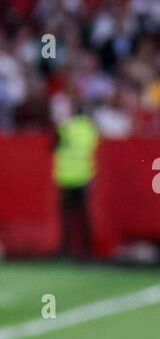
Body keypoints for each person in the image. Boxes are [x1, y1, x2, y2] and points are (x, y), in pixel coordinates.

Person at [53, 101, 99, 260]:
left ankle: (66, 249)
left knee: (66, 217)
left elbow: (53, 144)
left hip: (66, 178)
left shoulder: (66, 127)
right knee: (85, 217)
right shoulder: (90, 129)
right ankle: (87, 250)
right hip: (85, 177)